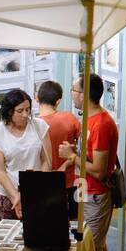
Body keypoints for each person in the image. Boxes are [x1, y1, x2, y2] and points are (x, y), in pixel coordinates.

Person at [60, 73, 119, 251]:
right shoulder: (91, 121)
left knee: (93, 250)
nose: (72, 94)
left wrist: (72, 157)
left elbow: (99, 169)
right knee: (97, 248)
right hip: (85, 189)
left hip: (96, 193)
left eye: (74, 90)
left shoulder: (102, 124)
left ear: (84, 95)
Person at [0, 88, 51, 221]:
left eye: (28, 109)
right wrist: (15, 196)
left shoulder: (39, 126)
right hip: (8, 195)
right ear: (9, 111)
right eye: (20, 111)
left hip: (36, 193)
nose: (25, 115)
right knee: (8, 239)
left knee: (36, 237)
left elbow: (47, 161)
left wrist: (38, 186)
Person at [36, 81, 81, 218]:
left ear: (37, 98)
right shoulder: (70, 119)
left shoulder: (34, 125)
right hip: (71, 182)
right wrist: (67, 163)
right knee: (74, 226)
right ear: (58, 101)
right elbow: (84, 147)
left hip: (43, 185)